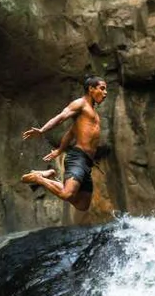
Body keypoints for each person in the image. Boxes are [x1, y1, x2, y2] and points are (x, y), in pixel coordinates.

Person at [20, 76, 108, 211]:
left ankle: (50, 175)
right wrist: (43, 130)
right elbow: (61, 117)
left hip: (87, 163)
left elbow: (71, 132)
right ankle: (39, 178)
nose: (105, 92)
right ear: (91, 89)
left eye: (105, 89)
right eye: (102, 88)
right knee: (67, 194)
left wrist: (60, 150)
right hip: (77, 158)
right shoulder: (80, 104)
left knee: (82, 205)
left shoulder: (93, 113)